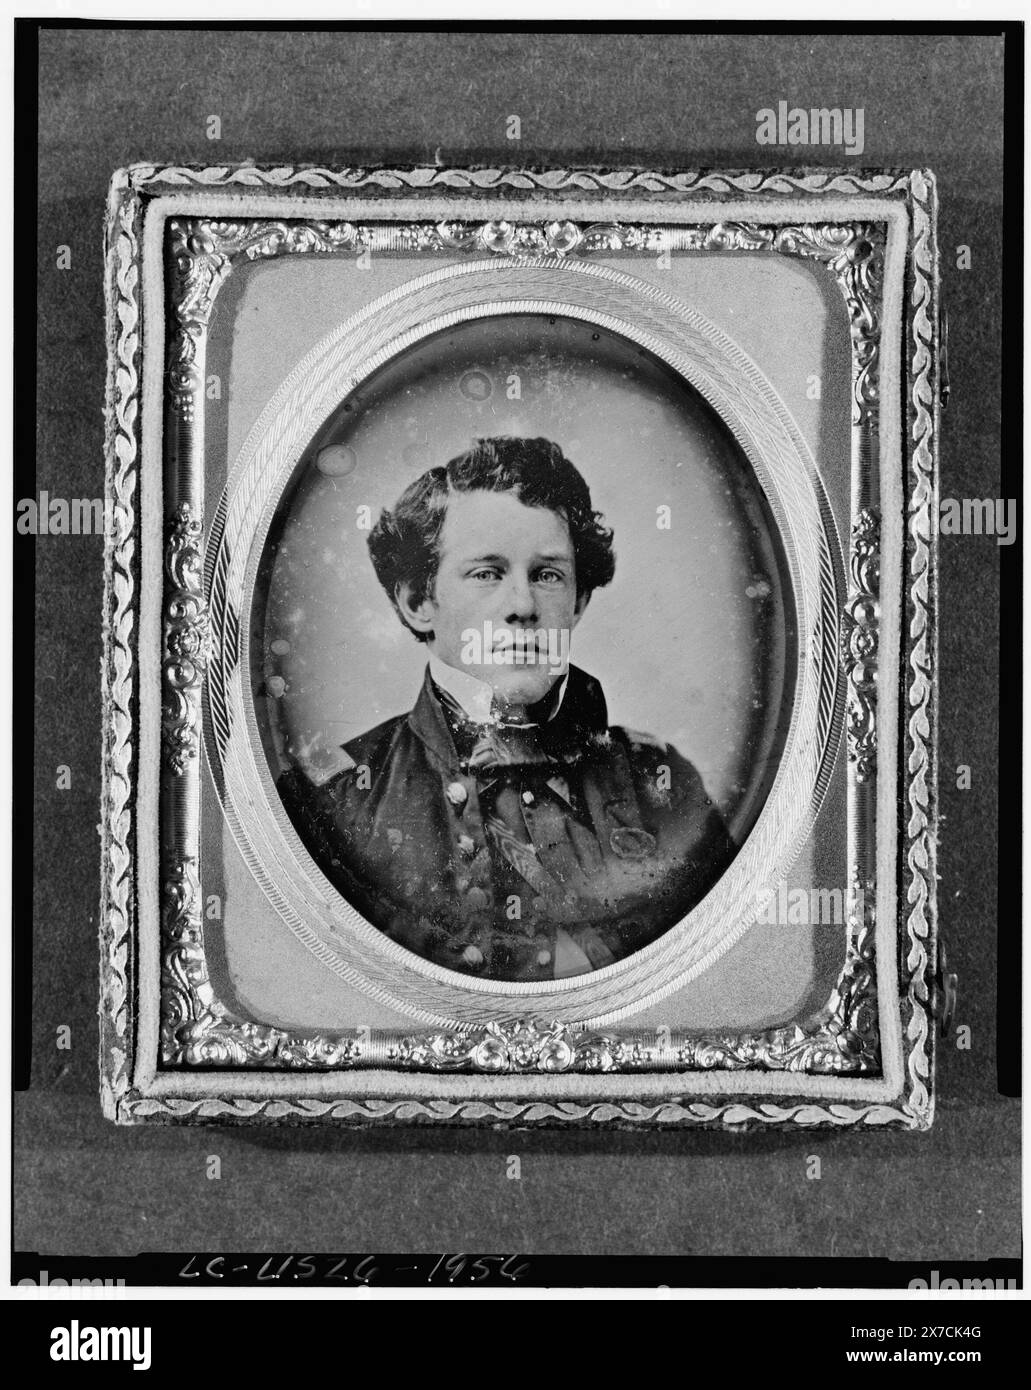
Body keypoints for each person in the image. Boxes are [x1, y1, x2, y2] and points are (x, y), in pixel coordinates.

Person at [278, 435, 735, 982]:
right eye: (486, 573)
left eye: (547, 575)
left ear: (579, 601)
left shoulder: (661, 785)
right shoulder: (345, 803)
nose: (522, 607)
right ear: (418, 602)